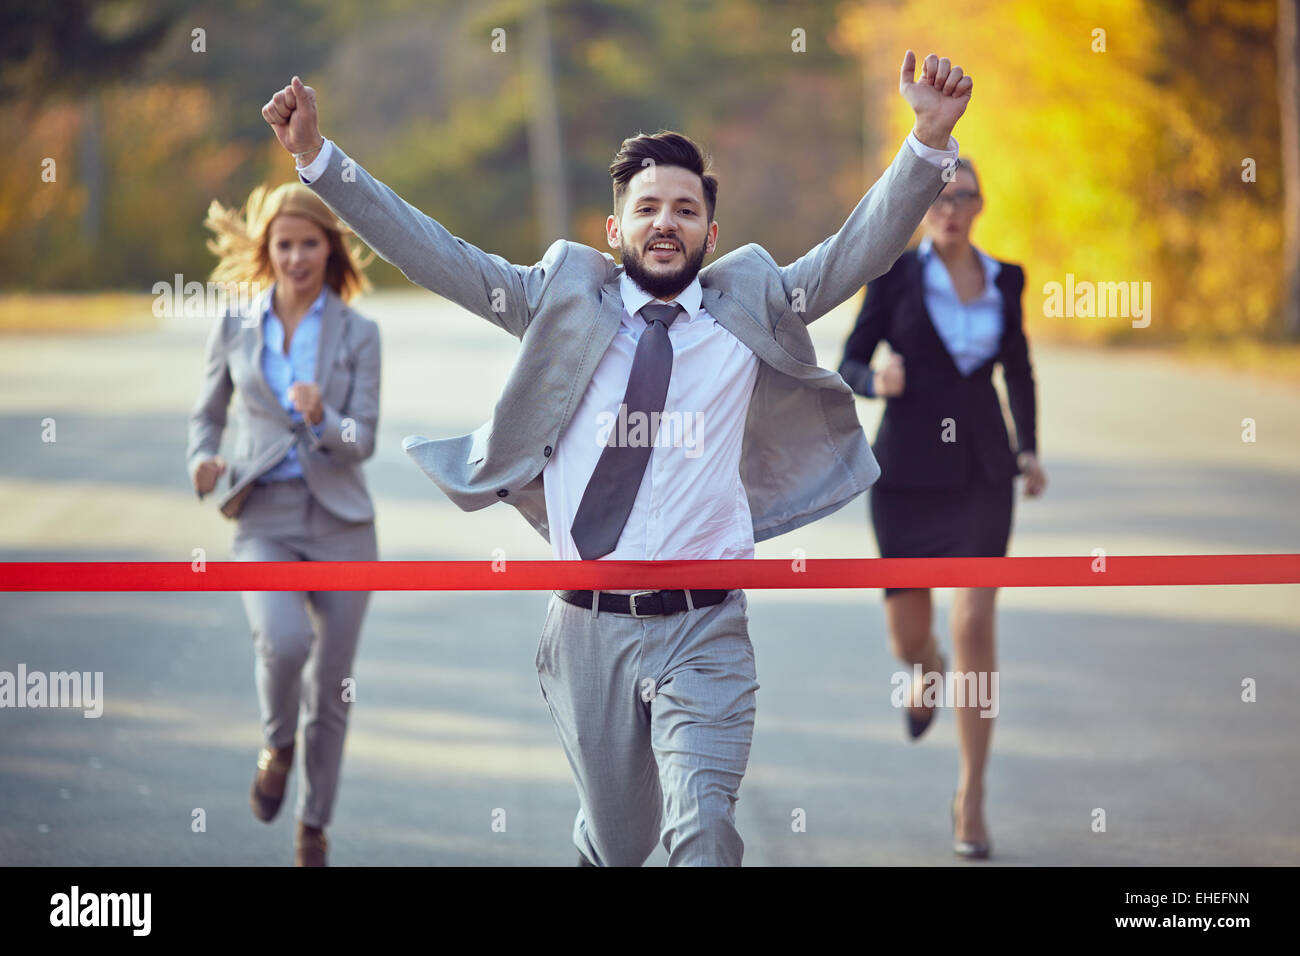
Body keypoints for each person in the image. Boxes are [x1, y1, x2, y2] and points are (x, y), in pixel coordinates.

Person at [261, 50, 972, 866]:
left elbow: (859, 248)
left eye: (683, 208)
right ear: (616, 228)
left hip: (706, 628)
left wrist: (925, 142)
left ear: (712, 229)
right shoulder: (558, 300)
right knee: (619, 847)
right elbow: (434, 252)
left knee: (702, 830)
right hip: (586, 632)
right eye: (646, 209)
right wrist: (319, 160)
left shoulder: (753, 305)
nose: (664, 222)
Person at [837, 157, 1047, 859]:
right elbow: (848, 362)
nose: (951, 207)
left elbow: (1016, 366)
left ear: (981, 204)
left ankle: (972, 794)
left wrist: (1029, 450)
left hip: (984, 470)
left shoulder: (1005, 279)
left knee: (977, 623)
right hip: (904, 473)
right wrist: (877, 377)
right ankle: (926, 669)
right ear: (924, 208)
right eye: (940, 197)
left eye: (964, 196)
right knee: (908, 637)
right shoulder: (893, 275)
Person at [186, 182, 380, 866]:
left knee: (332, 690)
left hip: (343, 525)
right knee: (283, 641)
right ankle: (277, 745)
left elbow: (364, 437)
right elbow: (208, 413)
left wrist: (326, 417)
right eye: (284, 245)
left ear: (331, 249)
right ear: (267, 252)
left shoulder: (360, 332)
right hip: (263, 517)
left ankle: (314, 827)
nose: (297, 257)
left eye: (309, 243)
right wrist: (204, 458)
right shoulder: (236, 325)